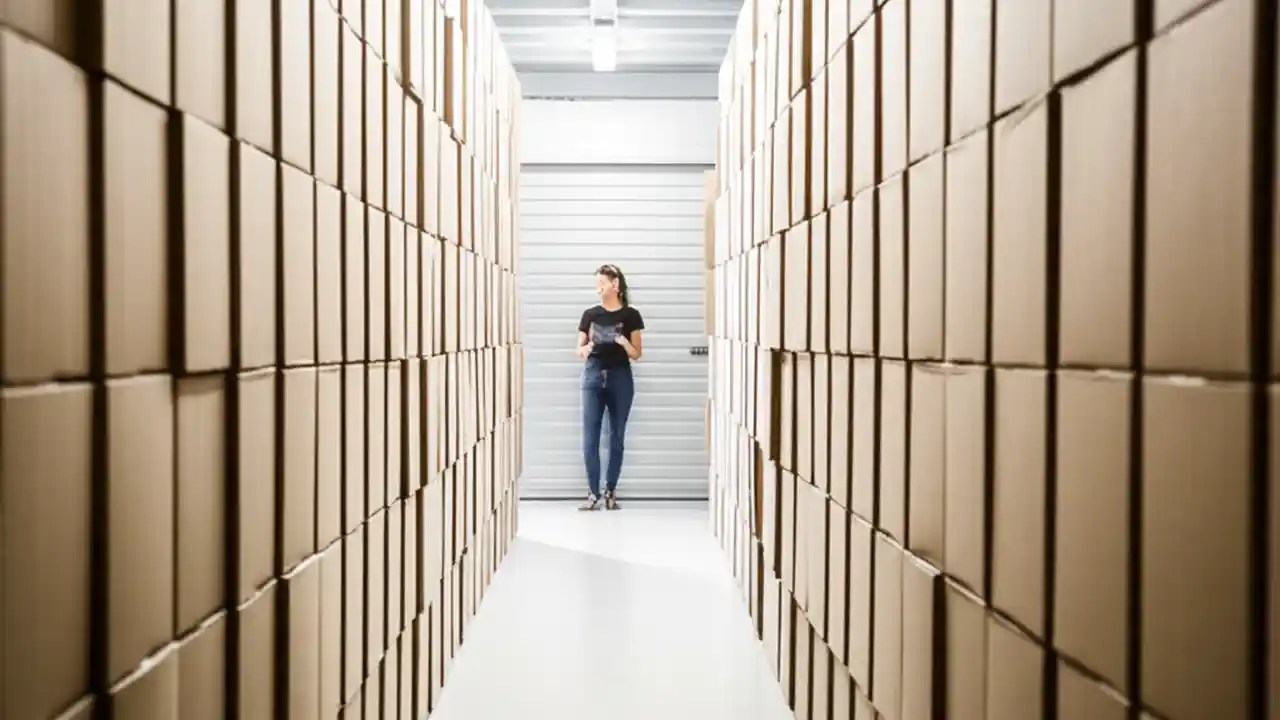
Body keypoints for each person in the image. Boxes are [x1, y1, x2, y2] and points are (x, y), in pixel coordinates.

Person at [576, 264, 644, 511]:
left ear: (615, 285)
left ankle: (610, 492)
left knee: (616, 436)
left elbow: (637, 354)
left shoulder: (631, 315)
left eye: (601, 284)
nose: (598, 289)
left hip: (620, 378)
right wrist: (584, 349)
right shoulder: (590, 314)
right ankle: (593, 493)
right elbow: (578, 349)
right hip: (593, 376)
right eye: (597, 284)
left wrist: (623, 341)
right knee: (590, 437)